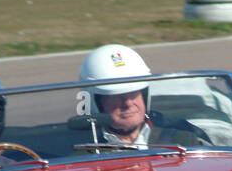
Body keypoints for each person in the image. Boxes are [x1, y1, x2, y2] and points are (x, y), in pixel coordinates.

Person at [78, 44, 208, 148]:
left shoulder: (183, 138)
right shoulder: (76, 150)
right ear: (96, 102)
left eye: (134, 93)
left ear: (145, 95)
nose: (128, 103)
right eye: (116, 96)